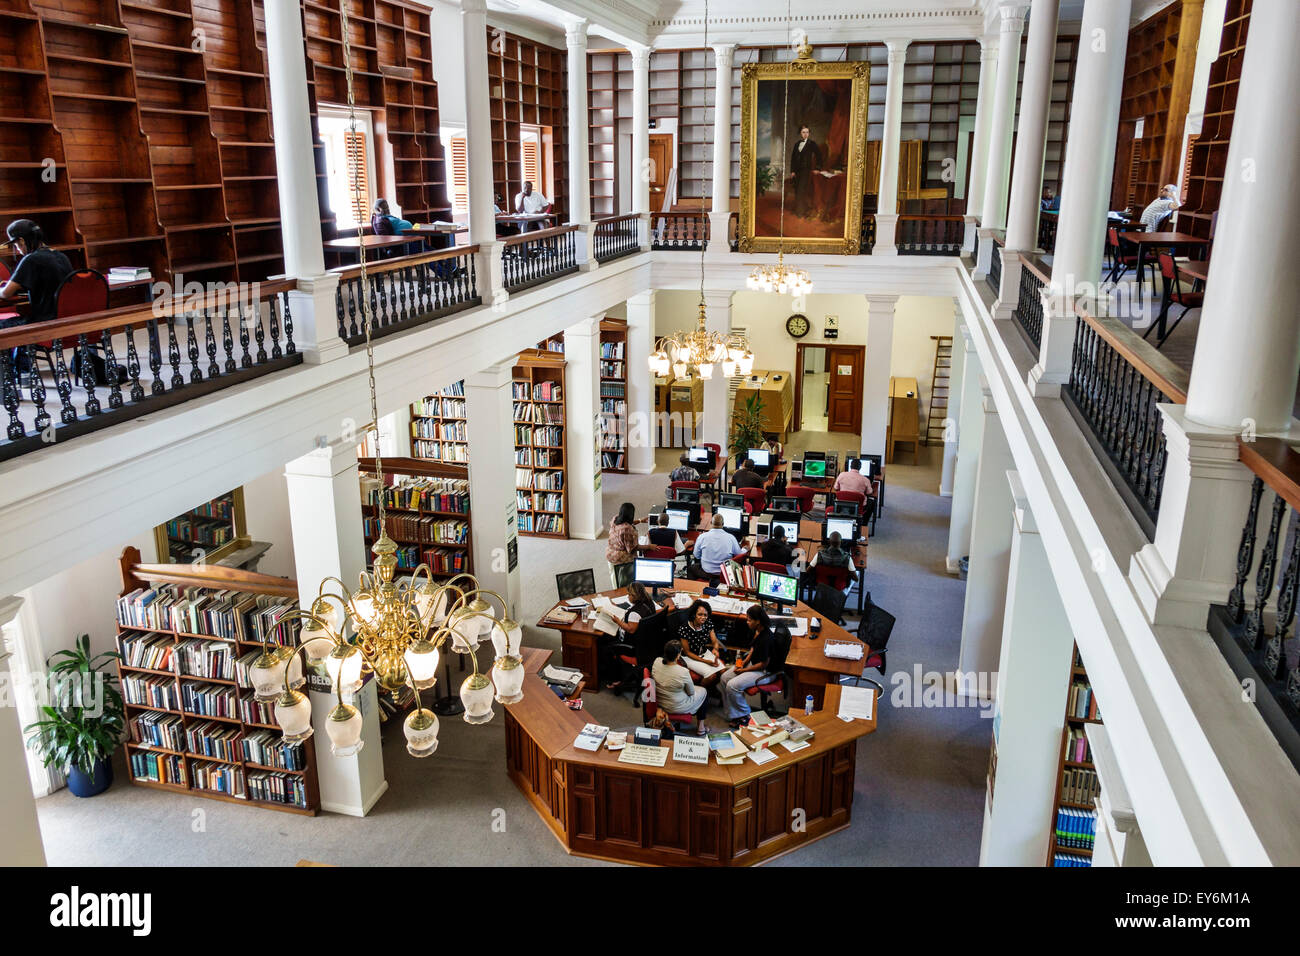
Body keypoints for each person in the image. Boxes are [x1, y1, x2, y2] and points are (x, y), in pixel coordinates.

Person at [1, 219, 74, 382]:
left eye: (16, 245)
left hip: (44, 324)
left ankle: (18, 376)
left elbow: (6, 294)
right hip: (66, 322)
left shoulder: (31, 260)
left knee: (4, 327)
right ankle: (22, 370)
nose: (17, 249)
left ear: (21, 241)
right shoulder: (60, 255)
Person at [598, 582, 671, 688]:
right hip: (648, 644)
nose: (628, 596)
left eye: (629, 594)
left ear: (635, 596)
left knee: (605, 647)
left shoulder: (634, 613)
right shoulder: (649, 602)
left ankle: (616, 679)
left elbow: (630, 629)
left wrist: (618, 621)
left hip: (633, 647)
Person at [719, 605, 774, 724]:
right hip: (754, 665)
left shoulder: (767, 638)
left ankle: (745, 714)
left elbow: (763, 664)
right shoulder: (757, 631)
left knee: (732, 685)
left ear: (758, 621)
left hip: (764, 672)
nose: (747, 622)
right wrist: (744, 663)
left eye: (749, 620)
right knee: (724, 678)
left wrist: (743, 671)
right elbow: (753, 649)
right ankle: (734, 714)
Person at [675, 599, 725, 686]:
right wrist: (705, 661)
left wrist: (715, 649)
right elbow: (687, 652)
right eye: (700, 614)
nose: (703, 617)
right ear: (694, 614)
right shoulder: (685, 629)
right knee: (711, 676)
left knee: (723, 671)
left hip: (703, 653)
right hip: (689, 657)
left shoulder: (707, 623)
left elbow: (714, 641)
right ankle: (700, 691)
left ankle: (711, 688)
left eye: (705, 615)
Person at [652, 639, 707, 718]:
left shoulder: (657, 661)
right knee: (704, 691)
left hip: (660, 702)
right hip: (675, 707)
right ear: (678, 655)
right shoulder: (683, 672)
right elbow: (691, 693)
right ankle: (701, 728)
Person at [691, 513, 747, 582]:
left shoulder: (702, 537)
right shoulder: (731, 538)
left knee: (691, 568)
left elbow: (696, 555)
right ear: (723, 524)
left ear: (711, 522)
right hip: (724, 573)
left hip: (706, 573)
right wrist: (745, 550)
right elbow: (738, 555)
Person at [789, 125, 823, 219]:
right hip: (797, 171)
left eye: (807, 132)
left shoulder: (812, 144)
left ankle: (800, 212)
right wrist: (792, 171)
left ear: (809, 133)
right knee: (797, 190)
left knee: (801, 190)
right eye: (803, 132)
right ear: (800, 133)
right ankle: (800, 209)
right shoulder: (797, 144)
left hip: (806, 170)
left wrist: (818, 168)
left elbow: (819, 155)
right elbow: (793, 159)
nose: (805, 134)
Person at [605, 501, 640, 588]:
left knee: (614, 579)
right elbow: (632, 548)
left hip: (610, 554)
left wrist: (639, 521)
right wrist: (649, 546)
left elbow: (626, 523)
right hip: (621, 558)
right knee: (623, 582)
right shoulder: (627, 529)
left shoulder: (615, 519)